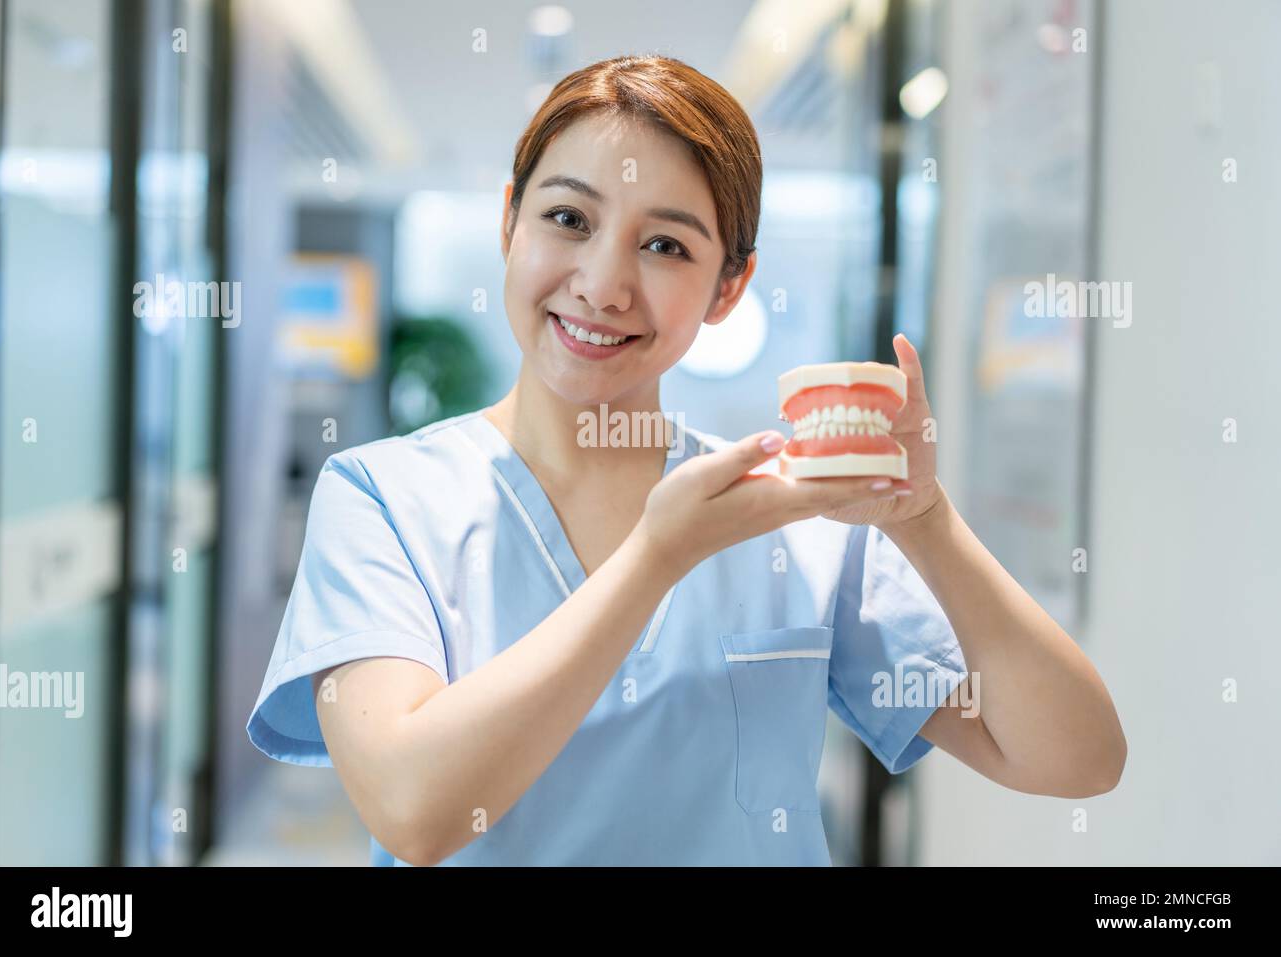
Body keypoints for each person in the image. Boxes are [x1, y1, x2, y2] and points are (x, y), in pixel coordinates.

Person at [246, 54, 1126, 866]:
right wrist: (655, 558)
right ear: (509, 221)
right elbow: (413, 807)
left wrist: (925, 521)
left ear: (728, 286)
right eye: (567, 218)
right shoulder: (382, 499)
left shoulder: (795, 516)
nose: (603, 282)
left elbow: (1078, 758)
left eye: (665, 244)